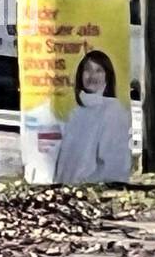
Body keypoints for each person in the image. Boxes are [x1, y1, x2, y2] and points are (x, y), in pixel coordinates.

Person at [54, 50, 132, 183]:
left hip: (94, 193)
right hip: (69, 194)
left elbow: (114, 164)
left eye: (99, 70)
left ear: (107, 76)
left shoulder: (112, 111)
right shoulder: (76, 112)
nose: (92, 75)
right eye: (88, 70)